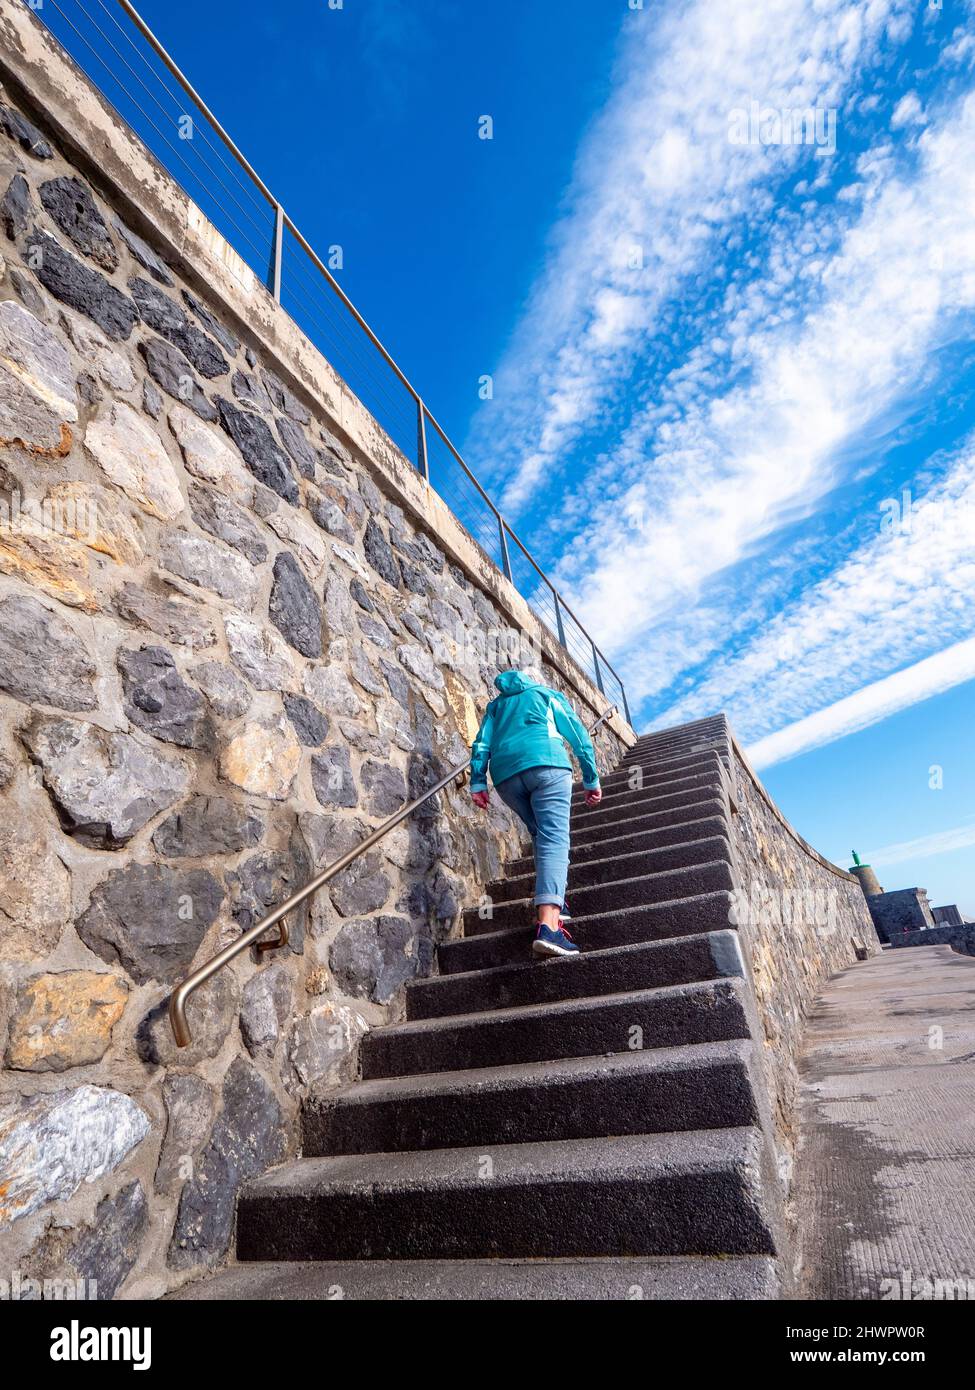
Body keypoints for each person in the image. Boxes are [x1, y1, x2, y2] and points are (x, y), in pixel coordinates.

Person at [469, 669, 602, 958]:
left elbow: (481, 743)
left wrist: (478, 781)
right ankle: (549, 927)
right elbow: (578, 735)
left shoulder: (496, 706)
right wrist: (591, 778)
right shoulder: (546, 694)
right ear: (532, 681)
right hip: (548, 764)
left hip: (506, 778)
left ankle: (555, 896)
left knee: (541, 834)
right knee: (553, 838)